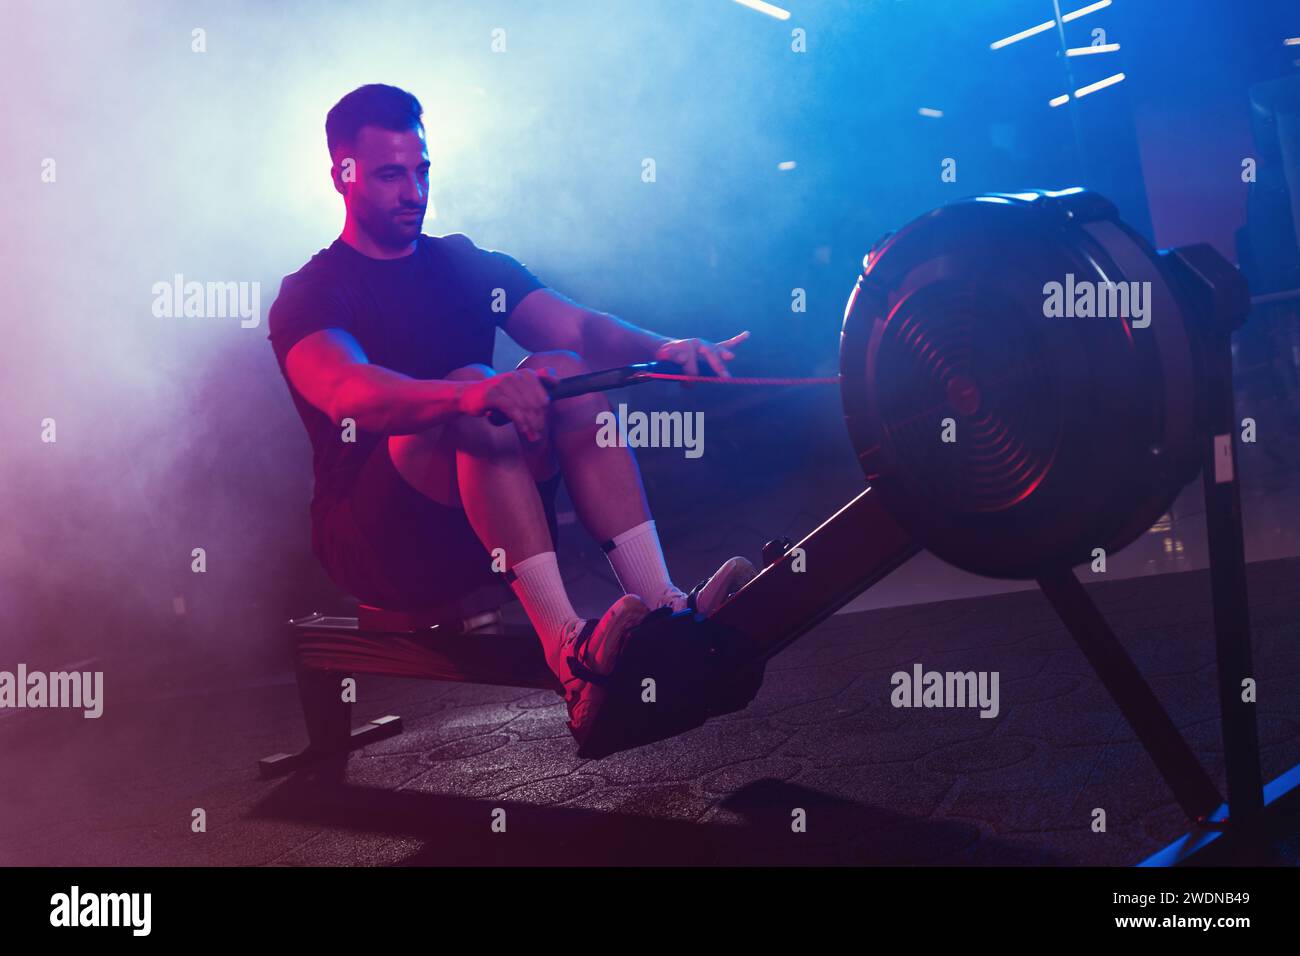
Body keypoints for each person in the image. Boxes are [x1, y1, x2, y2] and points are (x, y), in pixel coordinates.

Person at [267, 84, 755, 747]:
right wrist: (470, 395)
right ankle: (571, 660)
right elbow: (353, 393)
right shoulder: (312, 293)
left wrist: (664, 348)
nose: (413, 191)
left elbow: (580, 325)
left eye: (422, 170)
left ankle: (667, 606)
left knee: (567, 369)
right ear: (342, 176)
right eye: (390, 175)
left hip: (489, 513)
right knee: (475, 387)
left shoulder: (463, 262)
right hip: (376, 541)